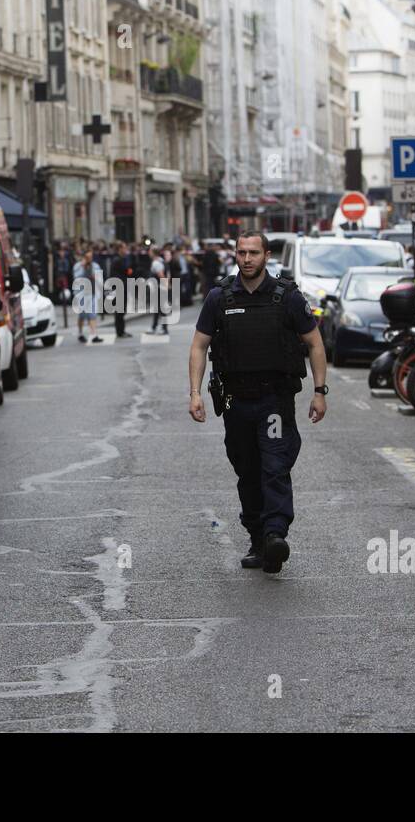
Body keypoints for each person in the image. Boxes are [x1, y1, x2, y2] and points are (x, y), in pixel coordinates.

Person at [188, 231, 328, 575]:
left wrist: (320, 392)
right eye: (241, 252)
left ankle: (275, 534)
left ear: (266, 255)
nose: (246, 259)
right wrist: (194, 393)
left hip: (274, 400)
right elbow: (199, 346)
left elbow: (315, 344)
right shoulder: (220, 297)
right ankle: (257, 538)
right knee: (247, 471)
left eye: (253, 253)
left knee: (275, 466)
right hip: (236, 401)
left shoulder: (287, 297)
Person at [73, 250, 103, 343]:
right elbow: (76, 277)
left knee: (92, 314)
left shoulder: (95, 266)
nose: (89, 259)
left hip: (92, 293)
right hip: (81, 294)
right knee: (82, 315)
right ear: (84, 257)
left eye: (91, 257)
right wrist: (83, 268)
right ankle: (80, 333)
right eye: (87, 257)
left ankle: (94, 335)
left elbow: (100, 278)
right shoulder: (78, 266)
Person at [108, 241, 134, 339]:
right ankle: (120, 331)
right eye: (124, 248)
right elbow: (128, 271)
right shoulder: (118, 260)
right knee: (120, 311)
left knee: (121, 311)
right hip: (119, 288)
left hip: (120, 287)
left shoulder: (119, 259)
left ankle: (121, 331)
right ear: (119, 249)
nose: (126, 250)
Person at [148, 247, 170, 335]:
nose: (149, 253)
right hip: (162, 287)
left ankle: (163, 328)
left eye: (150, 251)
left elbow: (161, 275)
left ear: (153, 253)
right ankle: (154, 326)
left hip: (159, 288)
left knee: (160, 309)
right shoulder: (162, 261)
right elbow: (167, 274)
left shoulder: (156, 263)